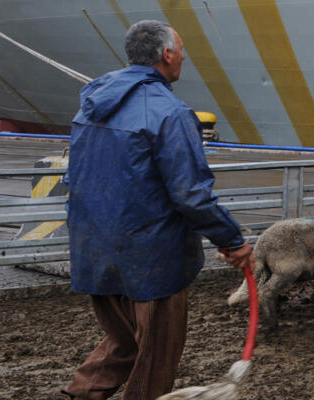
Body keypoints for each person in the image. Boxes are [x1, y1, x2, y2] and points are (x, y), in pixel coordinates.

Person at [62, 20, 253, 400]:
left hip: (95, 250)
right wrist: (232, 240)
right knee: (156, 356)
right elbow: (191, 194)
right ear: (167, 55)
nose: (183, 56)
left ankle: (82, 394)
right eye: (180, 49)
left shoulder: (92, 105)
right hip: (152, 257)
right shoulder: (171, 113)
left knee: (124, 341)